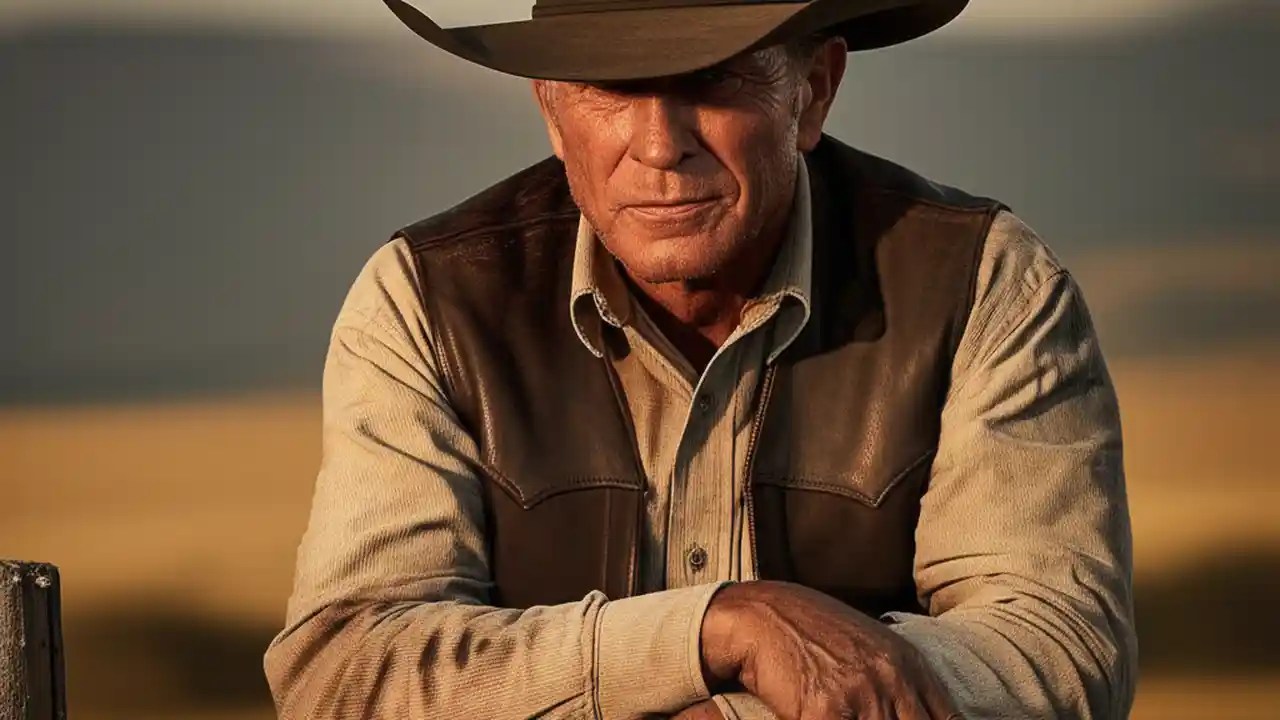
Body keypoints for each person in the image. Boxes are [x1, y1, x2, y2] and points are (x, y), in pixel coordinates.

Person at [264, 1, 1137, 718]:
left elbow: (1058, 647)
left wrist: (731, 715)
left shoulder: (982, 281)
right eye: (611, 87)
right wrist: (721, 628)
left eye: (713, 78)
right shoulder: (426, 299)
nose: (658, 145)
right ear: (551, 111)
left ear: (814, 92)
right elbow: (344, 670)